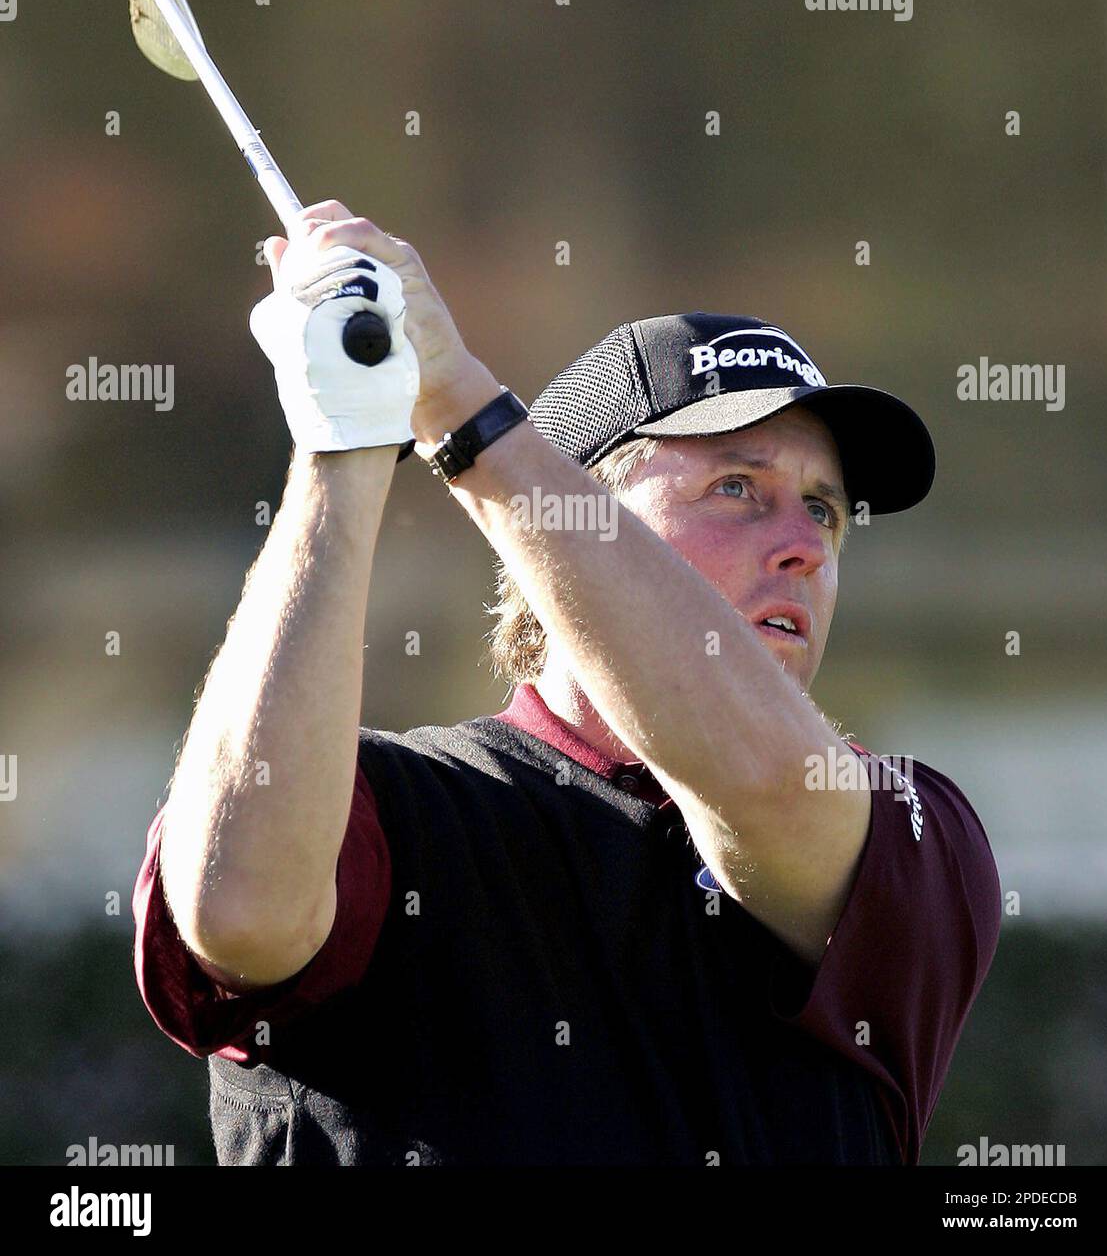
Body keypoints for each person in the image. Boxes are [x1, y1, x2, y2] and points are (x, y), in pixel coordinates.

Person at [132, 200, 1002, 1166]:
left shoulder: (910, 834)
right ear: (561, 524)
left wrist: (459, 402)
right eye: (736, 488)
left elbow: (770, 786)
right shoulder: (378, 807)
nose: (804, 546)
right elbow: (238, 909)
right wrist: (343, 437)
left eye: (825, 513)